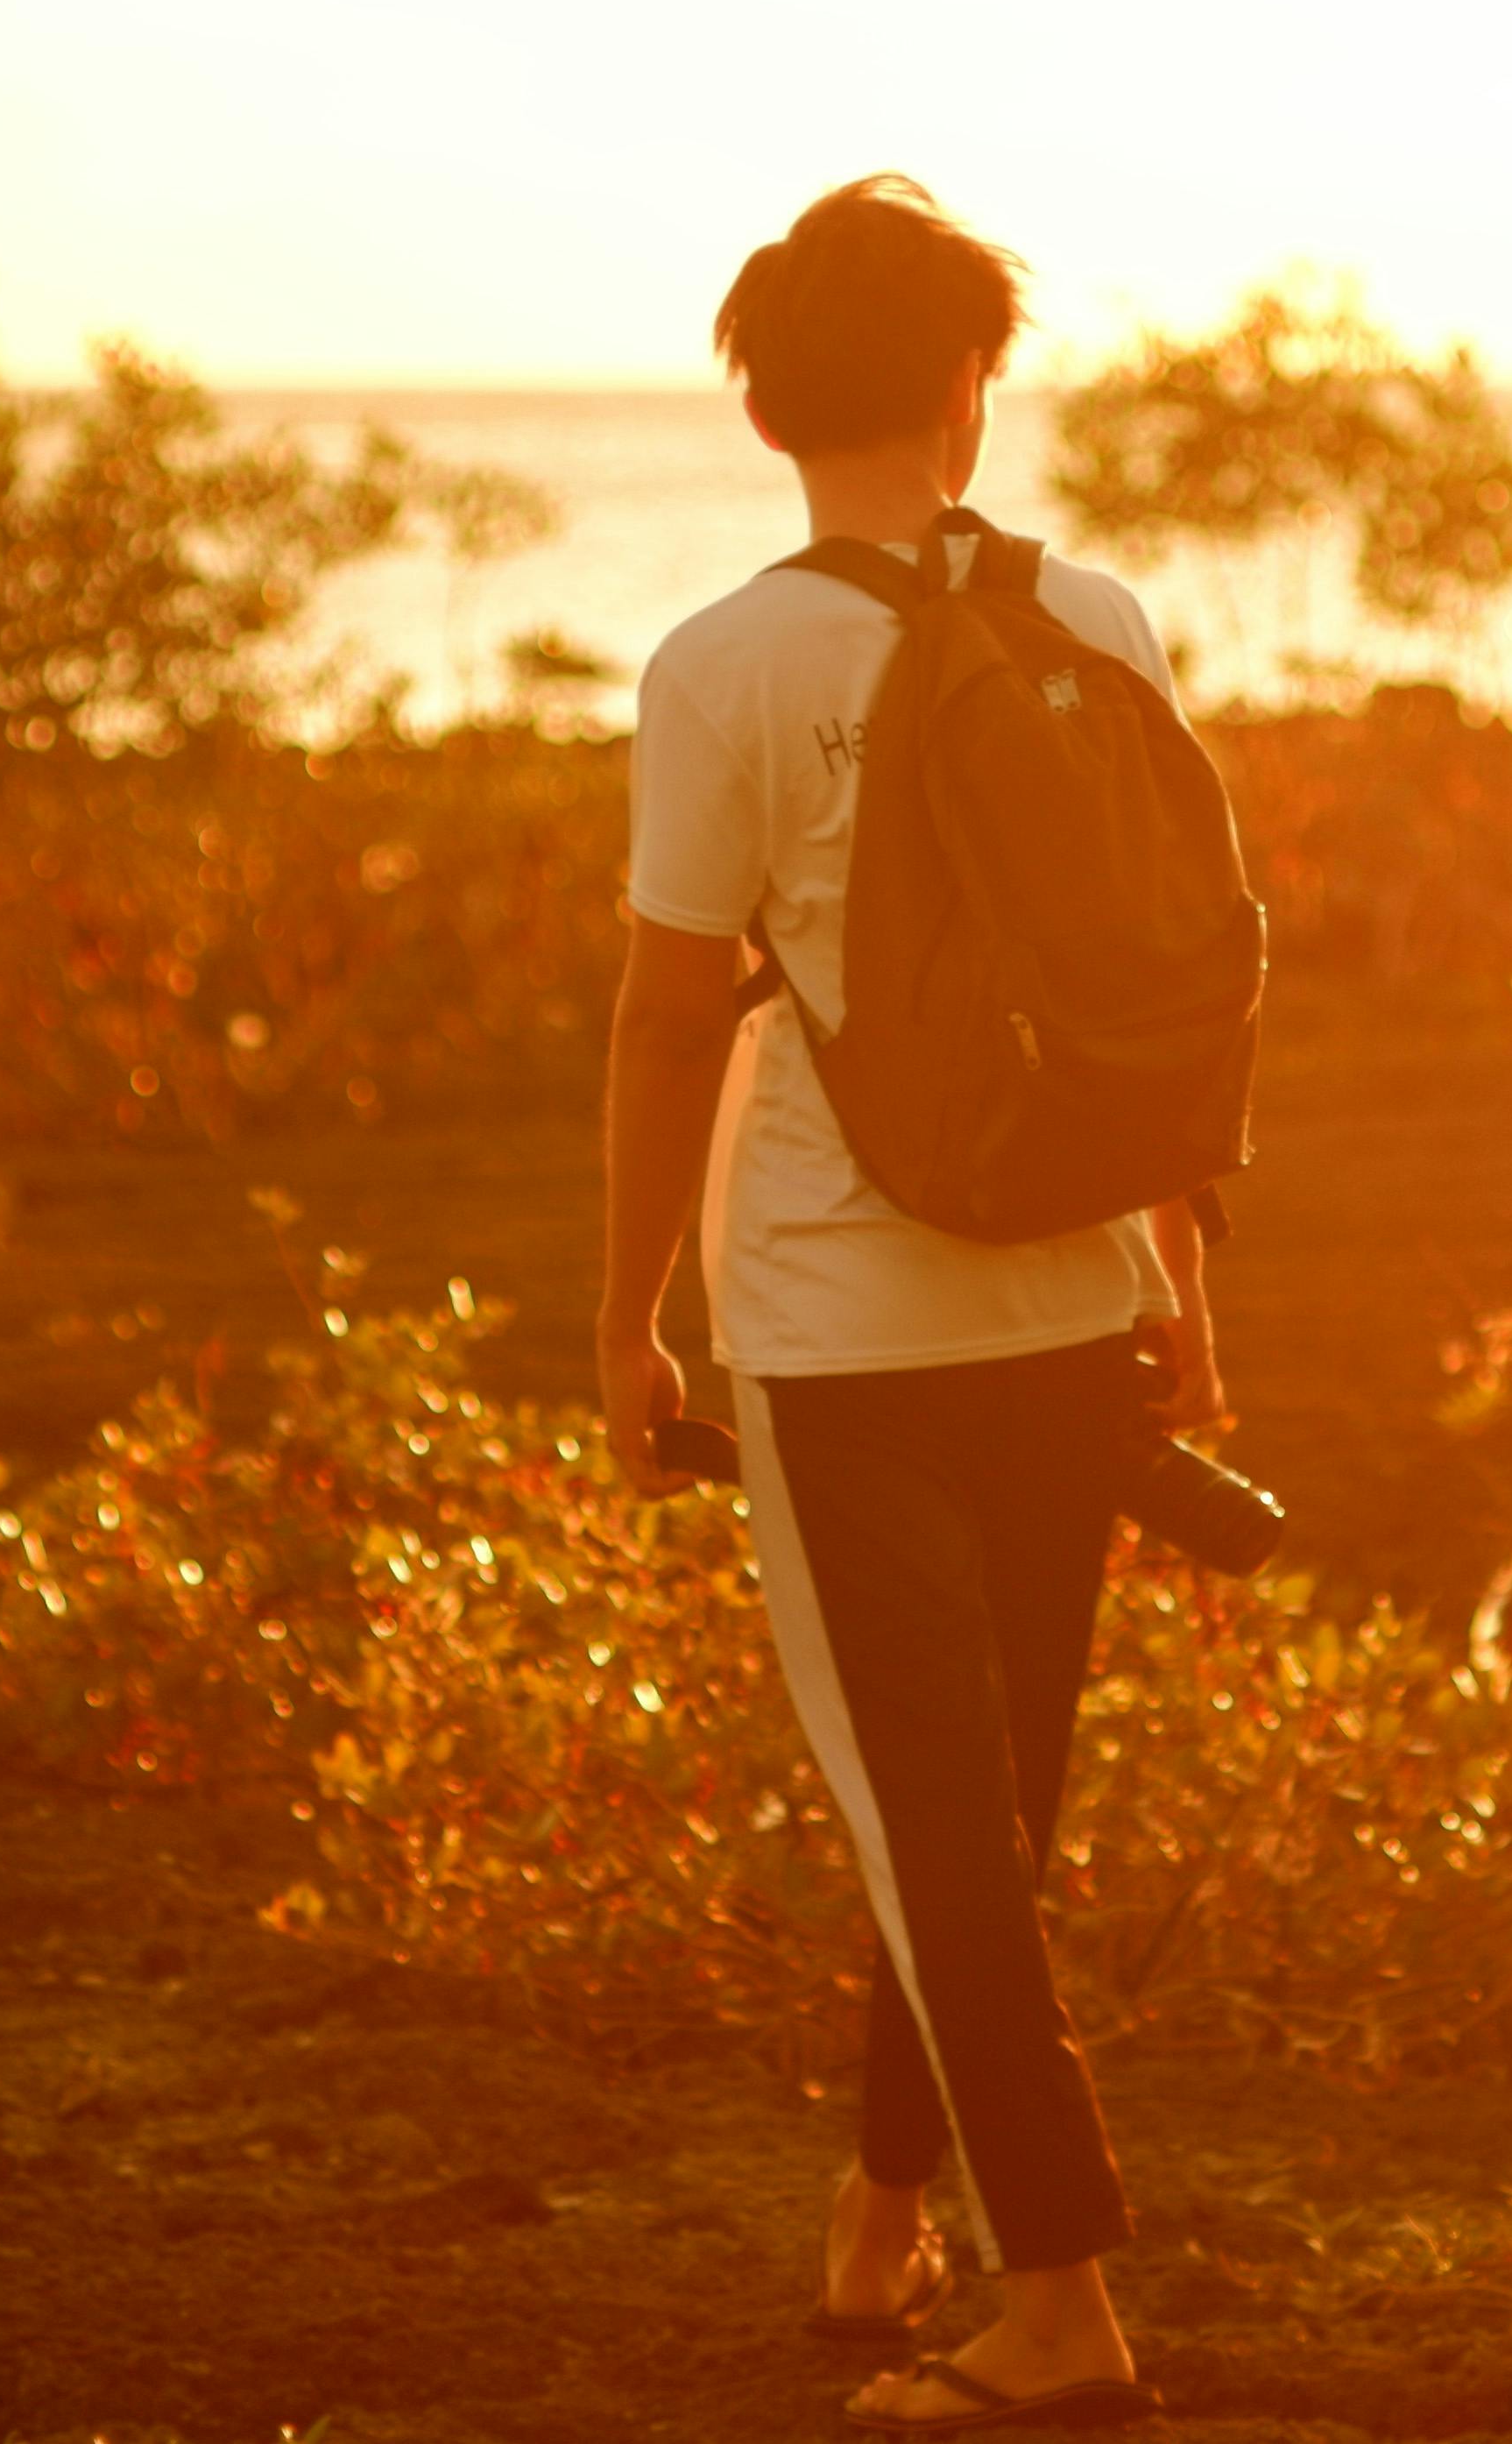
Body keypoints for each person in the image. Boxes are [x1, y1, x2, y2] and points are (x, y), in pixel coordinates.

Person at [597, 175, 1224, 2435]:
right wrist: (1172, 1262)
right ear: (975, 386)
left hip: (842, 1330)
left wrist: (629, 1314)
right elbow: (1143, 988)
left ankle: (1057, 2300)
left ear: (762, 404)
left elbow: (673, 1022)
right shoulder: (1102, 623)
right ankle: (886, 2216)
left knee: (926, 1815)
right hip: (1069, 1291)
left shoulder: (725, 666)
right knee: (973, 1816)